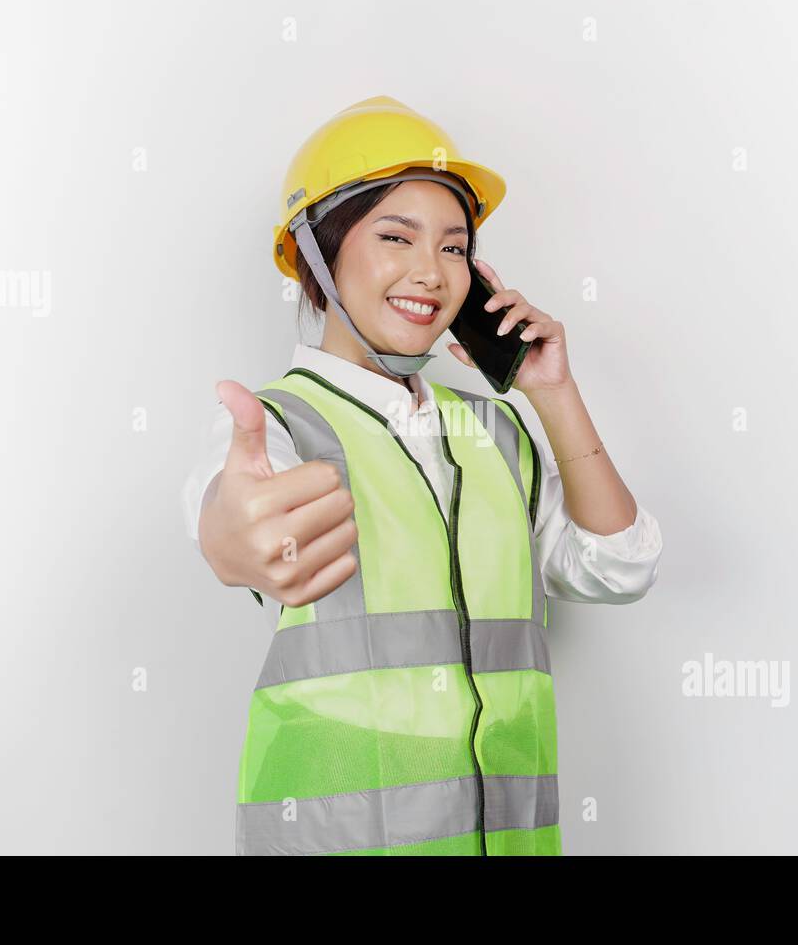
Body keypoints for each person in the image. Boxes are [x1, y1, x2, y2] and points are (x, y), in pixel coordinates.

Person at [182, 96, 663, 855]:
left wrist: (552, 392)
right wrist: (234, 534)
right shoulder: (275, 425)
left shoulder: (497, 431)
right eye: (395, 237)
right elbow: (230, 524)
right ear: (318, 255)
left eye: (452, 247)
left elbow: (620, 567)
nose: (429, 272)